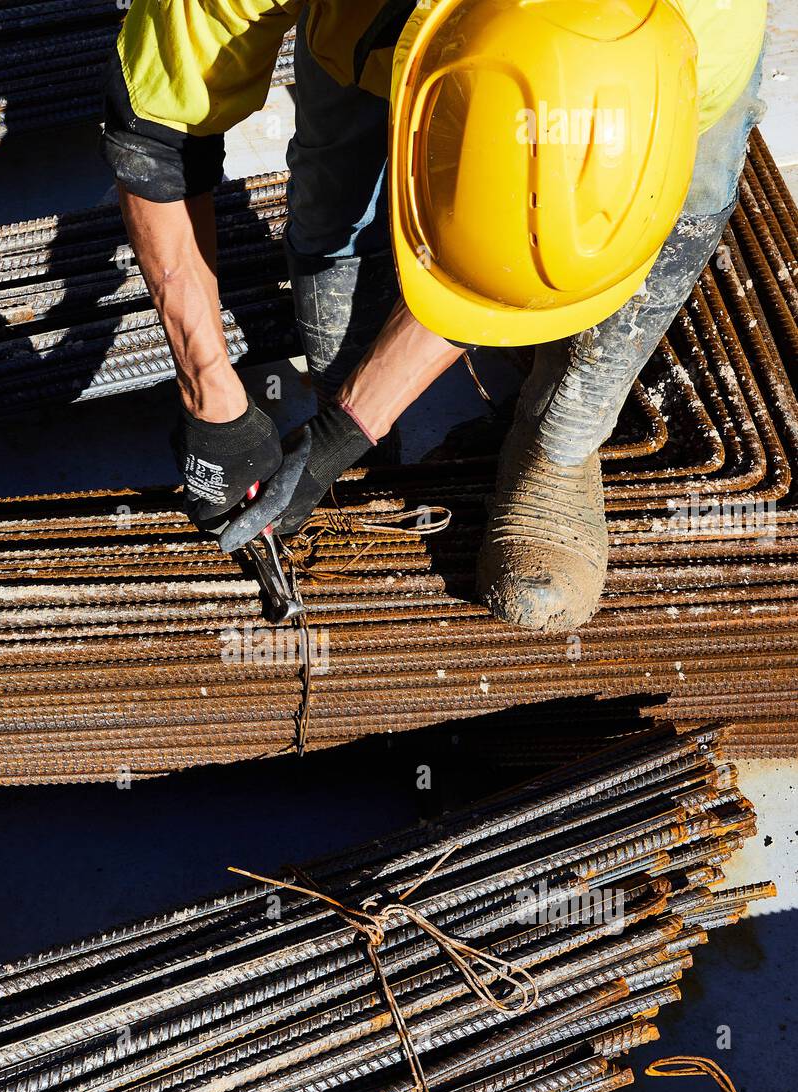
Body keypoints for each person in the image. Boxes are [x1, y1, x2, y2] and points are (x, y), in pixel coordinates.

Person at [103, 0, 767, 632]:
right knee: (340, 168)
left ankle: (558, 440)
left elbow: (506, 265)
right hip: (366, 25)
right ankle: (344, 365)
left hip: (639, 78)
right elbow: (158, 136)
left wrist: (350, 425)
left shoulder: (683, 45)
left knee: (684, 191)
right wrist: (208, 392)